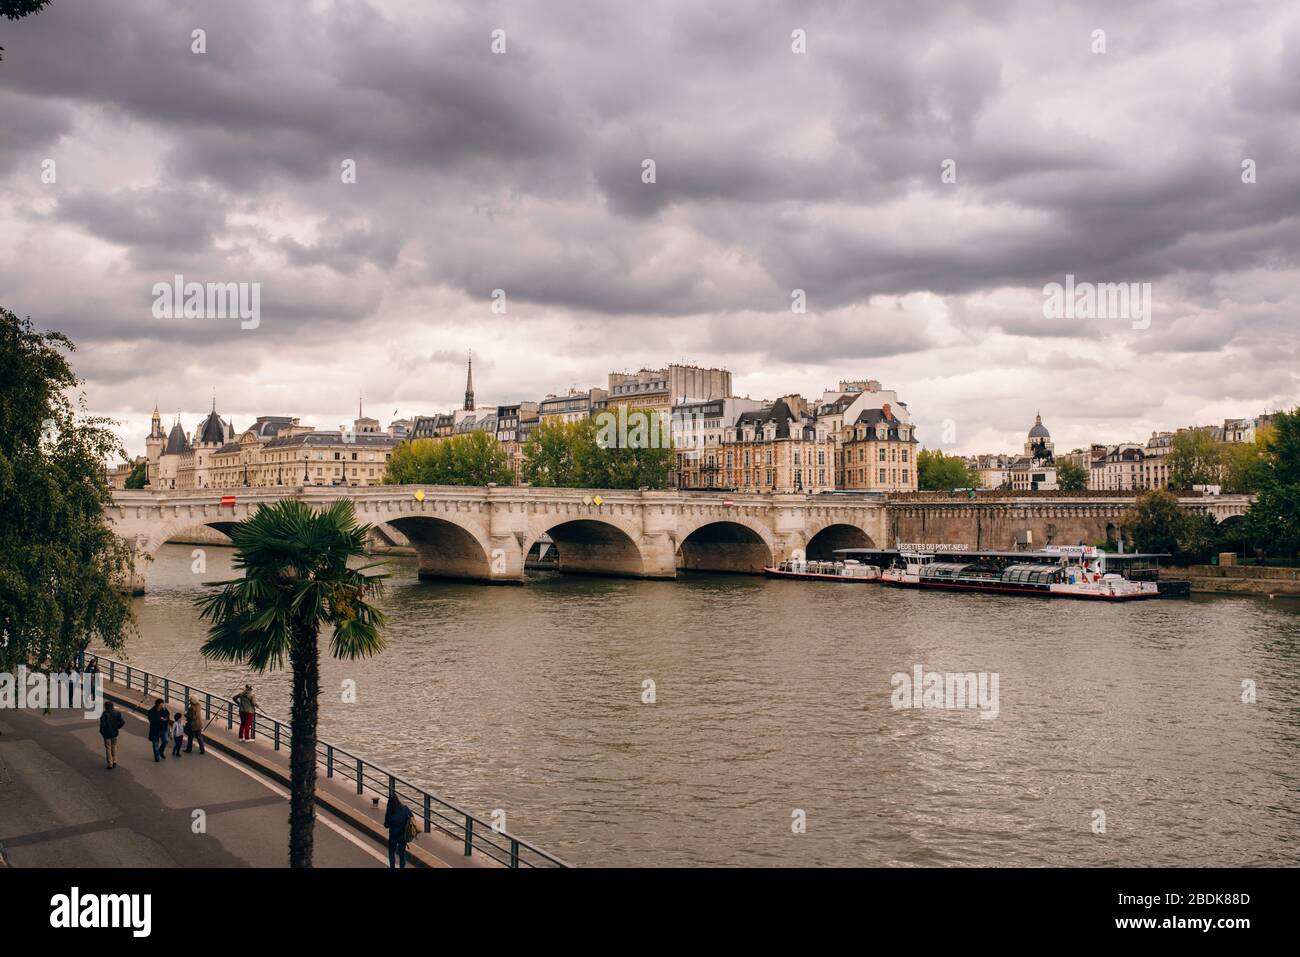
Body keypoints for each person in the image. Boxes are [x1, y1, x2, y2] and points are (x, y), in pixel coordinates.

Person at [383, 794, 415, 869]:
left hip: (393, 835)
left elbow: (386, 825)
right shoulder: (405, 809)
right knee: (402, 853)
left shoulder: (390, 813)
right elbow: (411, 818)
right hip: (403, 835)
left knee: (392, 853)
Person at [98, 700, 125, 769]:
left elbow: (103, 725)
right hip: (114, 733)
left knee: (108, 748)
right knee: (114, 746)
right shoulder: (117, 713)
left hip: (107, 734)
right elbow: (122, 722)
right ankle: (114, 761)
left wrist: (102, 732)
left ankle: (110, 763)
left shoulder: (104, 714)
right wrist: (117, 727)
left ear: (106, 707)